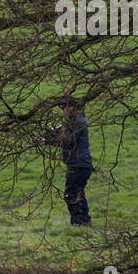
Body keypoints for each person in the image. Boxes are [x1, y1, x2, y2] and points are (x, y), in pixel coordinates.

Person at [40, 96, 94, 226]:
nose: (63, 111)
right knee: (78, 192)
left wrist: (48, 140)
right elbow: (64, 138)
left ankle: (79, 221)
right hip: (80, 163)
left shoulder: (77, 122)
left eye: (64, 107)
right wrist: (49, 136)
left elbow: (68, 141)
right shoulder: (73, 122)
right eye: (61, 108)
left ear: (71, 107)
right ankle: (84, 220)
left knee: (71, 193)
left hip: (78, 164)